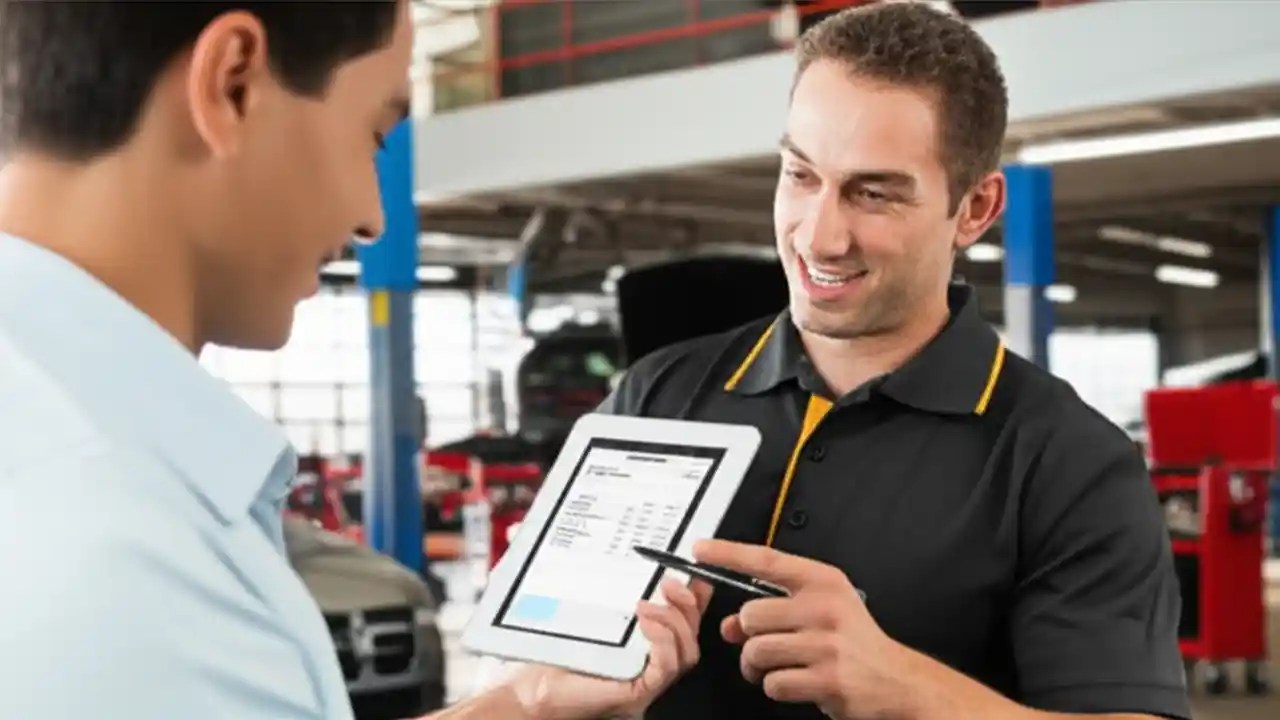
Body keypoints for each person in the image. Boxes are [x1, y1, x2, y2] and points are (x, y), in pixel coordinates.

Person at [0, 2, 707, 719]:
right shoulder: (128, 564)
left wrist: (525, 701)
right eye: (373, 135)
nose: (373, 215)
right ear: (233, 83)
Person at [598, 4, 1190, 720]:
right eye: (800, 175)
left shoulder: (1068, 462)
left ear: (974, 208)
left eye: (873, 193)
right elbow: (552, 660)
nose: (820, 236)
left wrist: (905, 689)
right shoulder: (656, 395)